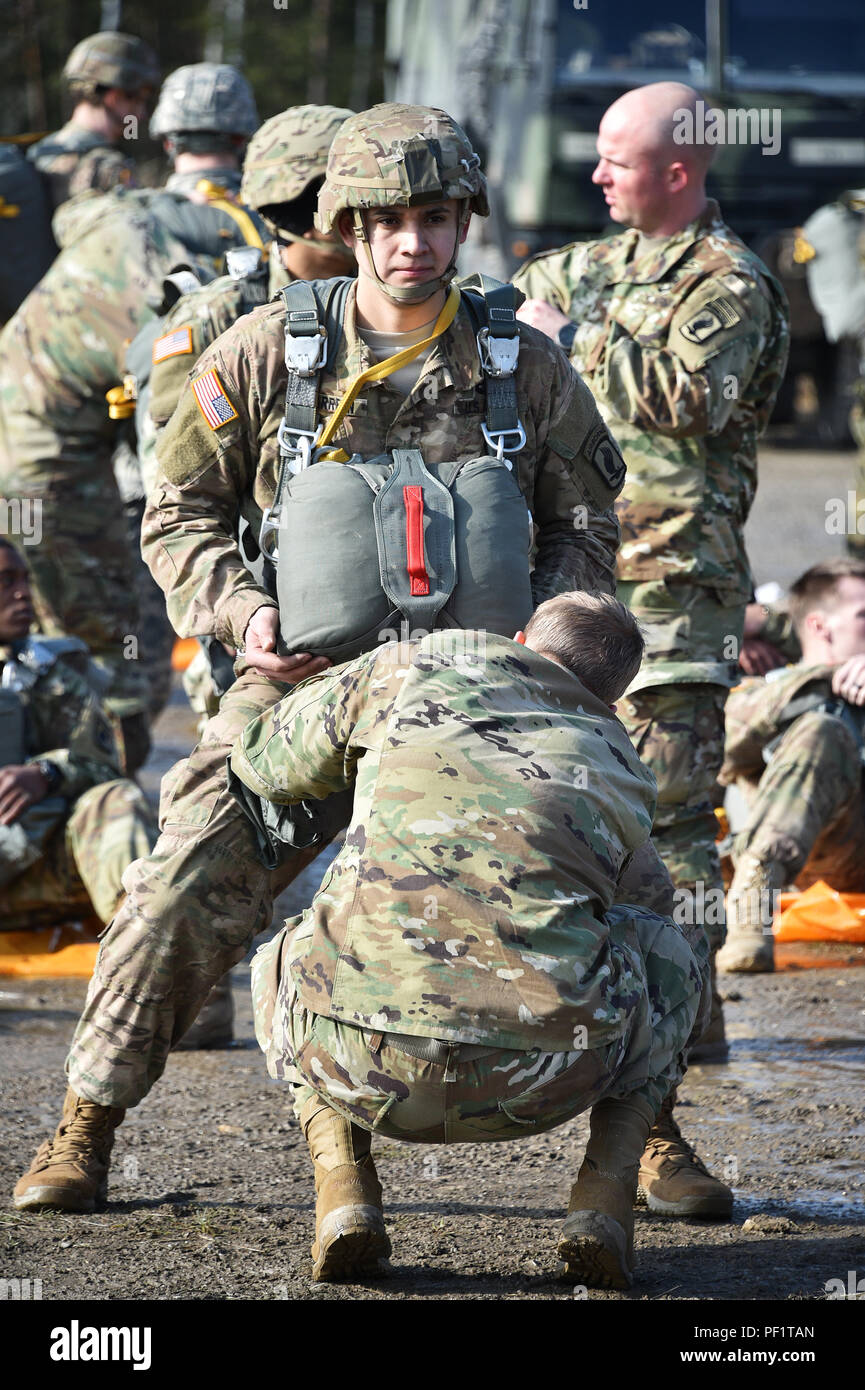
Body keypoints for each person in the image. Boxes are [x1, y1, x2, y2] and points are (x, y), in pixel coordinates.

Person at [13, 102, 626, 1216]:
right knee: (186, 864)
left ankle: (649, 1137)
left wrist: (555, 633)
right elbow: (179, 513)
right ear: (346, 226)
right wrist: (239, 613)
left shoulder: (523, 368)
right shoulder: (261, 351)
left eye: (435, 217)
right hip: (302, 685)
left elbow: (585, 523)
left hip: (481, 702)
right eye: (387, 220)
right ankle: (86, 1124)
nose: (411, 243)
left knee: (623, 874)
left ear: (463, 223)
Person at [232, 592, 705, 1288]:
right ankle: (603, 1195)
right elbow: (614, 898)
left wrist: (257, 689)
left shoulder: (405, 669)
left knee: (291, 944)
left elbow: (263, 764)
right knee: (667, 950)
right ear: (613, 697)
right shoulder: (622, 763)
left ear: (518, 638)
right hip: (541, 1082)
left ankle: (344, 1190)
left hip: (360, 1064)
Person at [513, 80, 790, 1214]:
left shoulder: (731, 285)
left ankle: (656, 1126)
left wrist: (564, 343)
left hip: (674, 602)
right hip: (568, 591)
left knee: (667, 839)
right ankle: (679, 1028)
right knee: (565, 816)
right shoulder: (582, 266)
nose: (594, 175)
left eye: (616, 160)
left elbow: (693, 395)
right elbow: (505, 333)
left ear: (679, 167)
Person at [0, 63, 264, 770]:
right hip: (54, 473)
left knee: (54, 627)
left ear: (169, 137)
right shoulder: (210, 245)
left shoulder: (122, 209)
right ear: (244, 136)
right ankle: (88, 806)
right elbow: (175, 414)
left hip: (38, 457)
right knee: (112, 652)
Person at [0, 538, 157, 932]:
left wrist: (46, 774)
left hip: (31, 875)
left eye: (24, 578)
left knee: (118, 801)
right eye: (5, 580)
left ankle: (141, 945)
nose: (23, 592)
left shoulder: (49, 674)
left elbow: (105, 766)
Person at [719, 558, 865, 973]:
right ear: (821, 627)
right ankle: (753, 899)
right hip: (826, 846)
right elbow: (717, 746)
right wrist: (821, 682)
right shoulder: (770, 689)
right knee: (821, 729)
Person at [26, 32, 160, 212]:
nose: (142, 114)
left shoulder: (39, 152)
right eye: (139, 100)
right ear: (114, 97)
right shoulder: (108, 168)